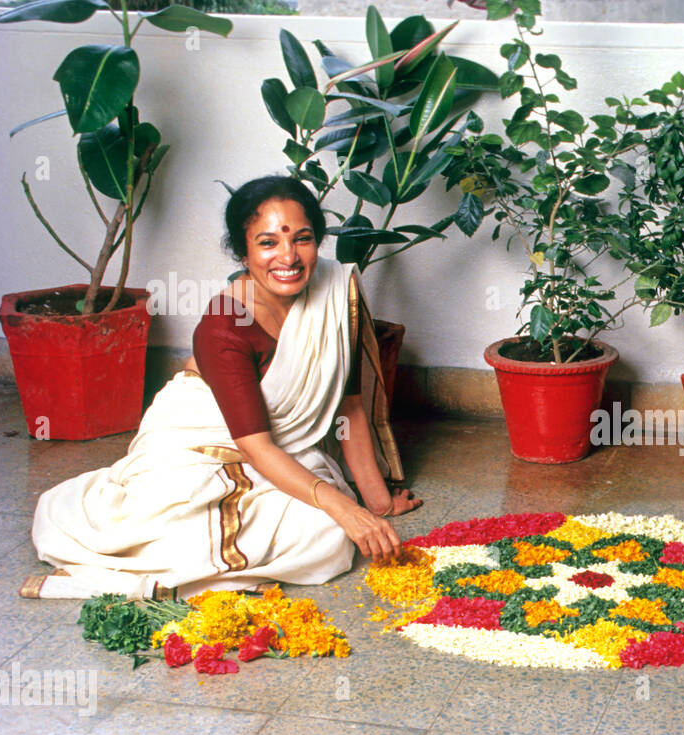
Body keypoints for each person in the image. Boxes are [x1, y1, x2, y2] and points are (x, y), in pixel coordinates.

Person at [25, 176, 420, 599]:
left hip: (278, 450)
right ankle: (150, 572)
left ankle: (217, 558)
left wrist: (376, 505)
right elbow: (255, 447)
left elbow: (350, 407)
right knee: (170, 529)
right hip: (195, 447)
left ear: (318, 242)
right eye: (267, 243)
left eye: (302, 239)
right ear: (243, 251)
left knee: (327, 537)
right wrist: (346, 508)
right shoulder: (224, 325)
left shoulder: (335, 293)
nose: (288, 256)